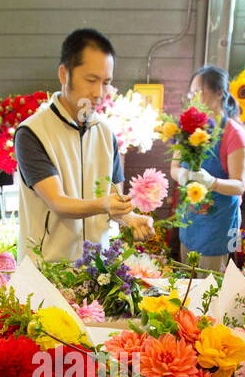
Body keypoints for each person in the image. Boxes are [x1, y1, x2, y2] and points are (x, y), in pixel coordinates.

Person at [15, 28, 153, 263]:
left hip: (97, 271)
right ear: (64, 74)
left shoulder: (106, 133)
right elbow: (58, 202)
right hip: (48, 271)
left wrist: (130, 218)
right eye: (91, 80)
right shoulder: (32, 132)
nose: (98, 93)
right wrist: (105, 205)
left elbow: (114, 197)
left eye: (106, 82)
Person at [170, 65, 245, 272]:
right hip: (191, 220)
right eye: (191, 93)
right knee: (186, 283)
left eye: (199, 92)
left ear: (219, 93)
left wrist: (211, 182)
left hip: (219, 225)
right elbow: (174, 167)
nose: (193, 98)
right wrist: (182, 175)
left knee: (211, 288)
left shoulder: (234, 134)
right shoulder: (189, 128)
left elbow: (239, 186)